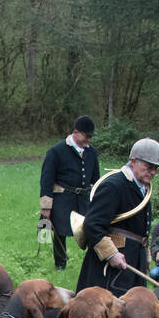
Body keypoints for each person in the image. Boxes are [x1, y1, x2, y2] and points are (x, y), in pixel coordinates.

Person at [75, 137, 159, 297]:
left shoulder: (143, 188)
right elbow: (92, 224)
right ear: (133, 161)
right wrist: (111, 254)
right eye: (148, 166)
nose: (152, 172)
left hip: (134, 258)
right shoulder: (114, 185)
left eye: (155, 168)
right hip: (111, 264)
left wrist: (144, 256)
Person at [39, 115, 99, 270]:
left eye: (91, 137)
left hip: (84, 199)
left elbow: (96, 179)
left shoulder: (92, 153)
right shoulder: (56, 151)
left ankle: (93, 263)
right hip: (62, 199)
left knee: (91, 229)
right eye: (87, 136)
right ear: (76, 133)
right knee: (60, 231)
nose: (89, 140)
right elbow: (46, 179)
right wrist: (46, 207)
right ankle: (60, 264)